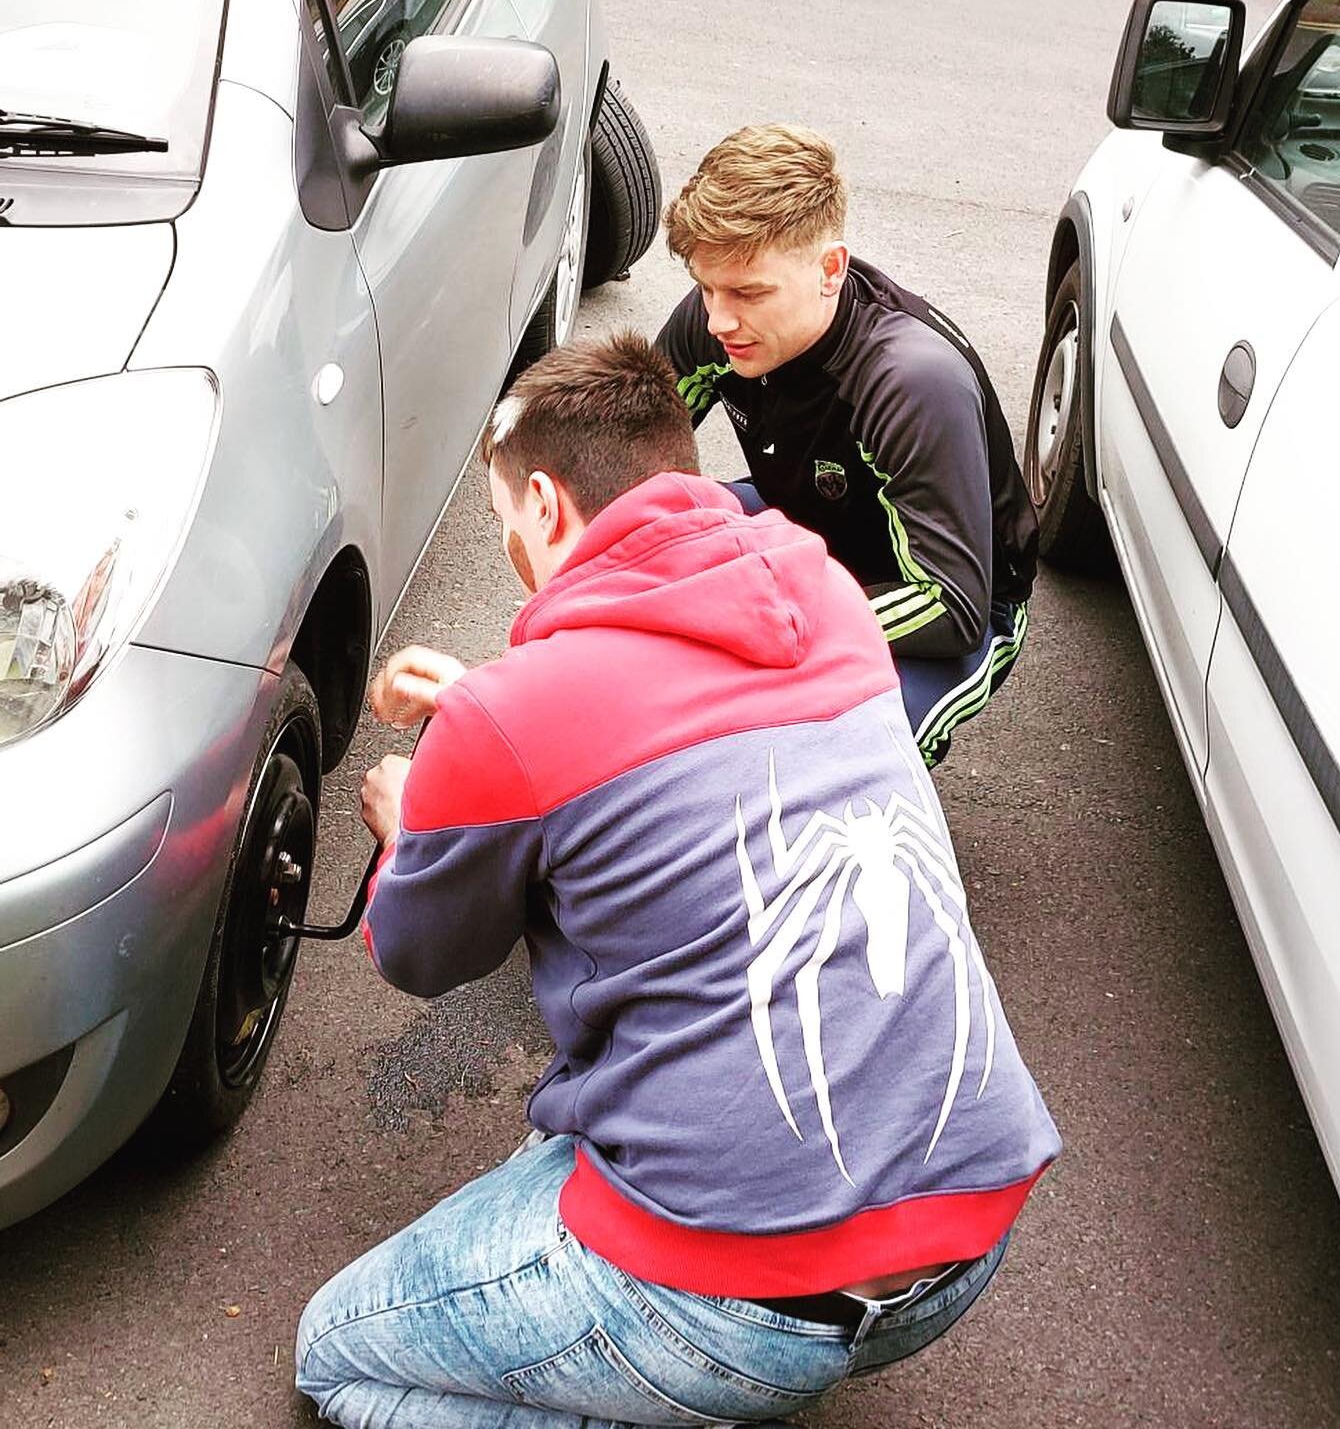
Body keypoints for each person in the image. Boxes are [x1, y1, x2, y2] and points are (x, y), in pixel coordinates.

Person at [295, 332, 1059, 1429]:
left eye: (509, 525)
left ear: (547, 507)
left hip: (731, 1300)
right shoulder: (827, 599)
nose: (513, 549)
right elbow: (678, 736)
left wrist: (426, 814)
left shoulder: (511, 720)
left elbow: (421, 953)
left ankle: (674, 1386)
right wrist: (489, 723)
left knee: (335, 1358)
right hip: (961, 1235)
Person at [655, 125, 1037, 770]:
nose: (718, 320)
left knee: (831, 767)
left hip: (944, 598)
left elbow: (954, 608)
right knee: (655, 536)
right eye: (705, 287)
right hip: (806, 525)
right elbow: (630, 466)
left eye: (748, 293)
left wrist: (755, 623)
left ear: (830, 270)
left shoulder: (911, 381)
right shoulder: (720, 321)